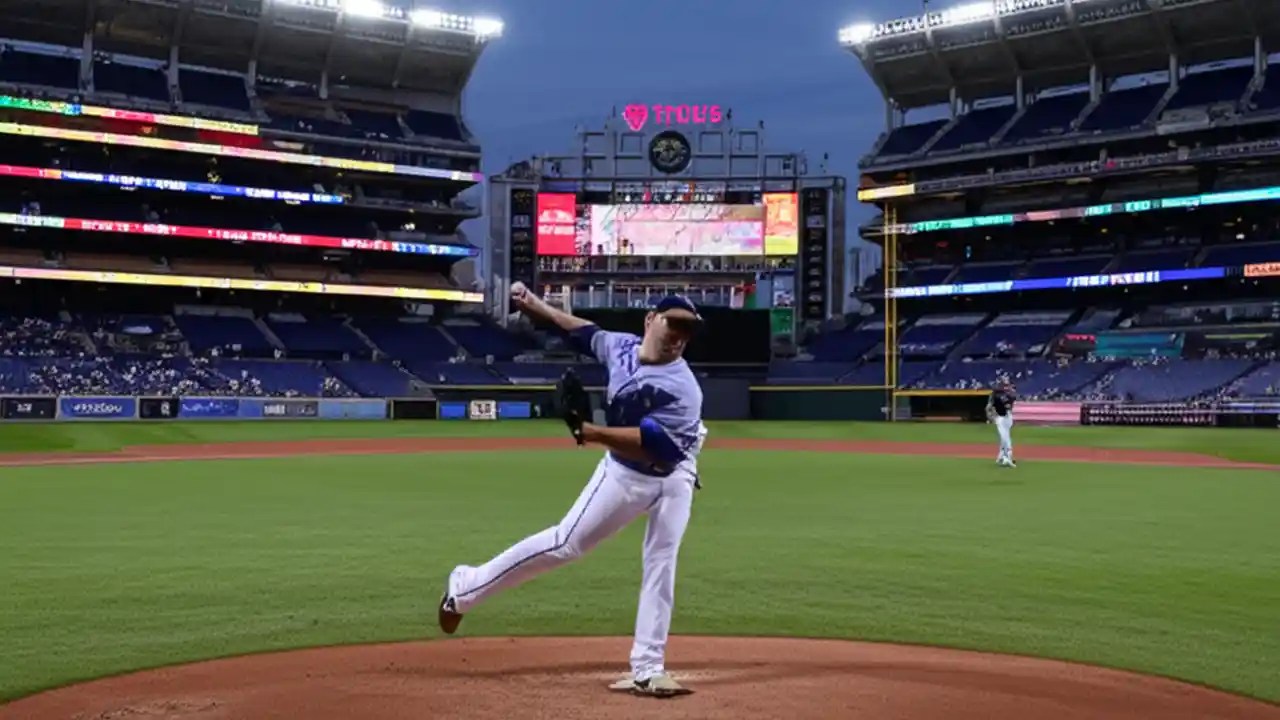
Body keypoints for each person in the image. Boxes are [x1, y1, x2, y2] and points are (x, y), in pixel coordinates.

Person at [437, 282, 707, 698]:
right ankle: (466, 587)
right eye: (673, 324)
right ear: (650, 320)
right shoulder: (619, 346)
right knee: (566, 543)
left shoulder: (682, 387)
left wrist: (592, 431)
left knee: (661, 561)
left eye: (687, 331)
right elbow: (582, 331)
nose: (678, 337)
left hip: (674, 471)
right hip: (624, 476)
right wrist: (536, 306)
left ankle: (648, 667)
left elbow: (659, 448)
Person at [987, 380, 1017, 467]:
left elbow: (1010, 403)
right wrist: (991, 417)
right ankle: (1007, 458)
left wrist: (990, 417)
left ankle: (1001, 457)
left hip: (1007, 417)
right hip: (1001, 418)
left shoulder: (1007, 395)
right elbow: (989, 407)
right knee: (1005, 438)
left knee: (1004, 438)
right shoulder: (997, 396)